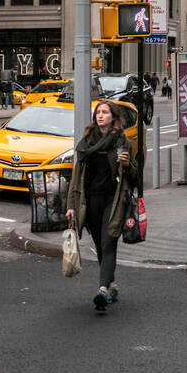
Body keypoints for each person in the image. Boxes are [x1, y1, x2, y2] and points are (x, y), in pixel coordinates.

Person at [65, 100, 137, 311]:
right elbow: (77, 176)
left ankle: (103, 289)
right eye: (98, 112)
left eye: (105, 112)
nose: (101, 115)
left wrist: (126, 165)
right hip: (90, 201)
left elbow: (133, 176)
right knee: (99, 245)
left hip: (113, 200)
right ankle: (112, 285)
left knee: (108, 243)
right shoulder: (87, 142)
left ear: (113, 117)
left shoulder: (121, 141)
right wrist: (71, 205)